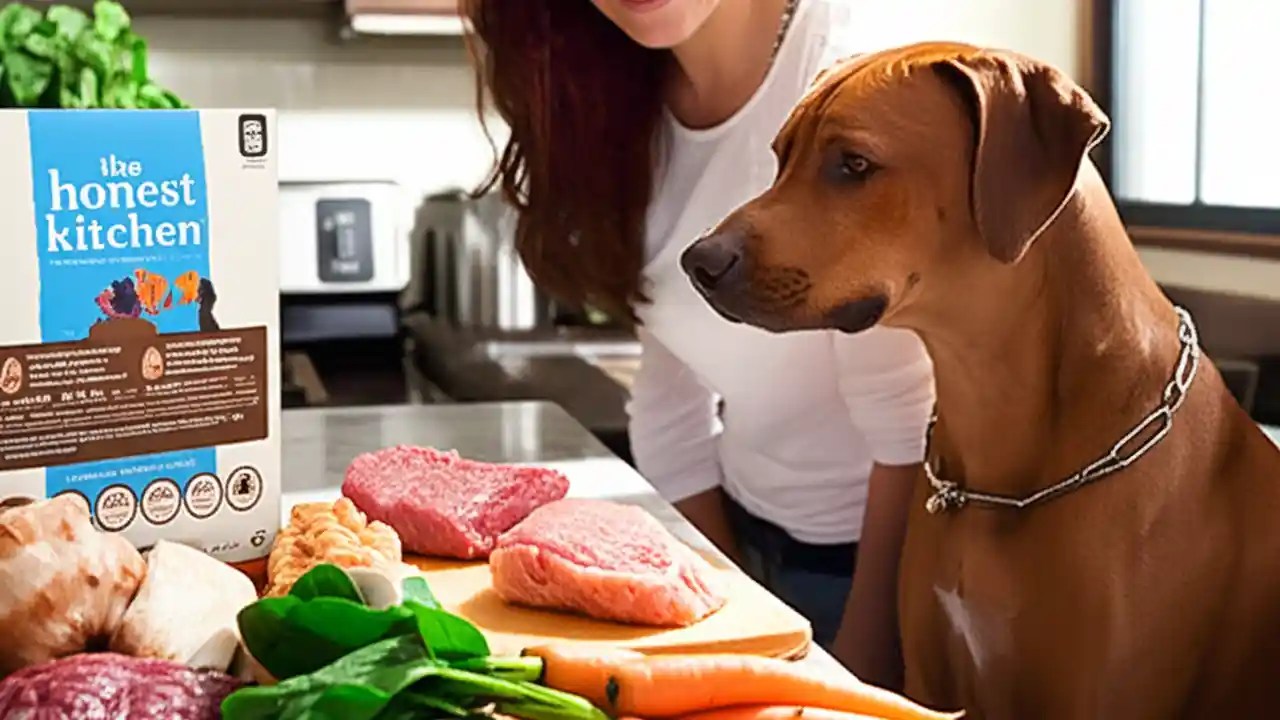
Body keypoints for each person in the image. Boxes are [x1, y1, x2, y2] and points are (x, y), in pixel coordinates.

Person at [461, 0, 935, 689]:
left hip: (886, 570)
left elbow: (906, 429)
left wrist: (859, 668)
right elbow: (669, 414)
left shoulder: (845, 74)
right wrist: (724, 618)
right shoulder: (622, 99)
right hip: (742, 551)